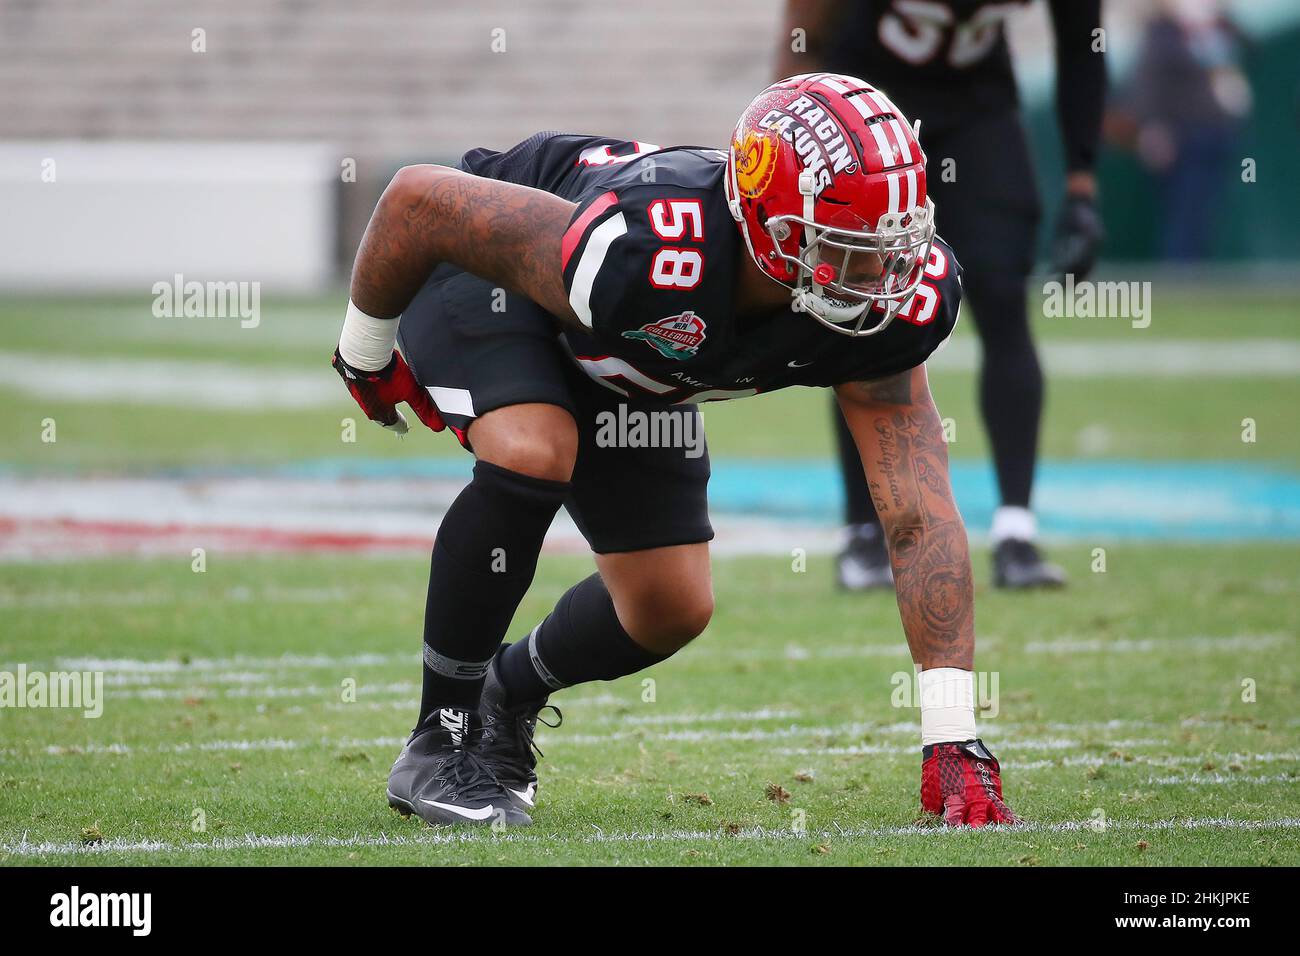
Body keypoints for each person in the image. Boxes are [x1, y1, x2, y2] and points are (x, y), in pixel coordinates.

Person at [332, 74, 1019, 828]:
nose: (878, 277)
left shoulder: (889, 302)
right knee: (534, 448)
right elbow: (417, 200)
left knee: (669, 606)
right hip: (502, 281)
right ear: (769, 225)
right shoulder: (649, 250)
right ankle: (439, 739)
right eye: (847, 249)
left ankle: (508, 694)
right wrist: (365, 353)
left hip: (631, 359)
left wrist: (952, 737)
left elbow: (917, 513)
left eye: (889, 243)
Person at [775, 0, 1106, 590]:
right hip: (870, 109)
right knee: (864, 311)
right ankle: (863, 534)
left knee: (1005, 303)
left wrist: (1082, 185)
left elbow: (1082, 44)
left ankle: (1016, 531)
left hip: (979, 110)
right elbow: (806, 26)